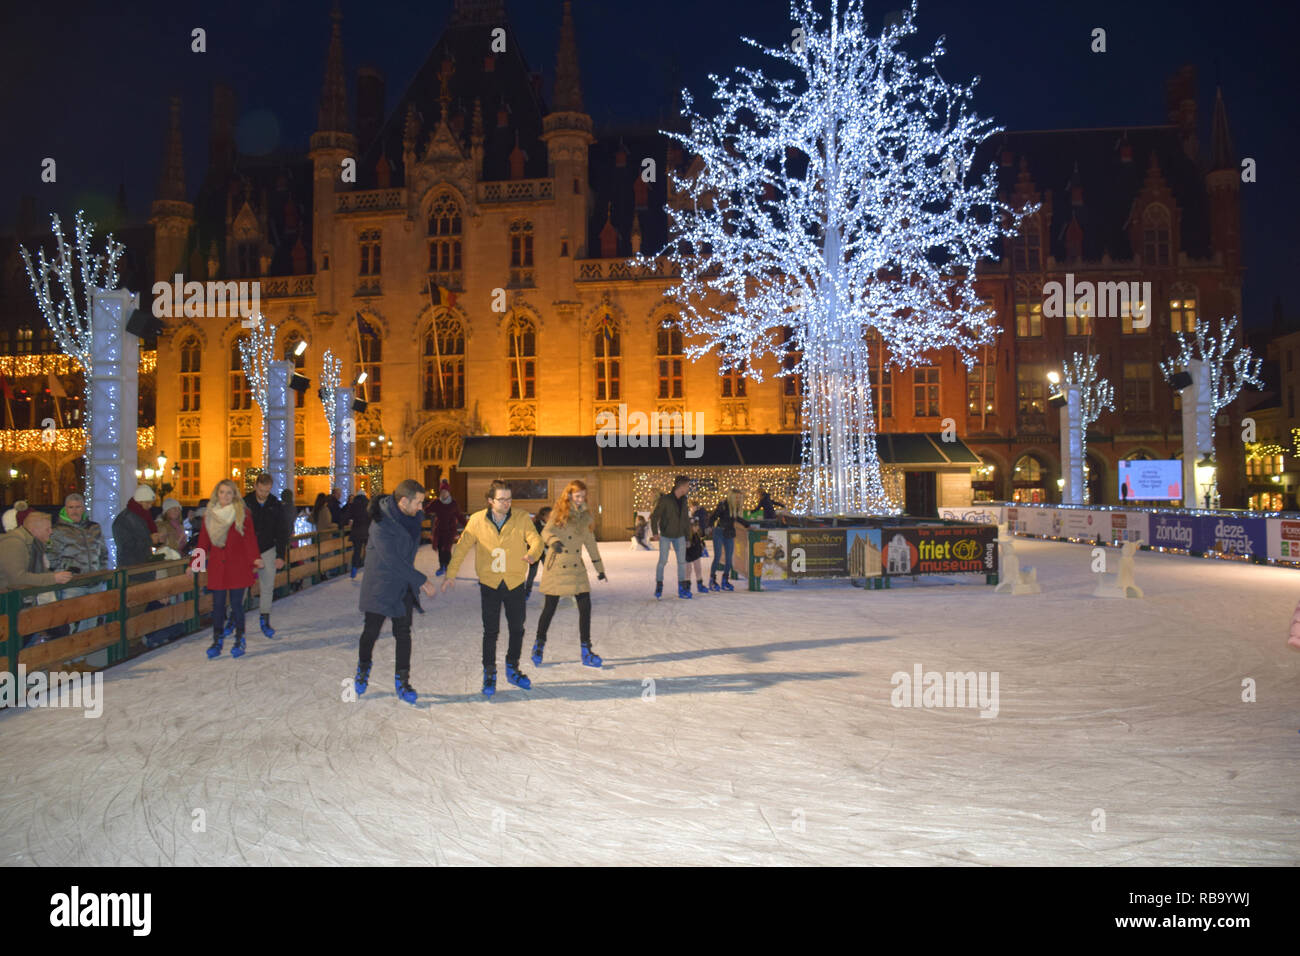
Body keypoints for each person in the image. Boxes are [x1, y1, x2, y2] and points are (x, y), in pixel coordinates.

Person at [442, 479, 542, 697]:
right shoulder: (477, 520)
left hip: (514, 582)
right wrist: (451, 573)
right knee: (491, 631)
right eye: (501, 499)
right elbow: (462, 547)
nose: (507, 503)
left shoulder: (521, 517)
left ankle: (512, 667)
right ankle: (490, 672)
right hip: (490, 584)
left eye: (509, 499)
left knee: (517, 628)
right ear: (490, 500)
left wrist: (533, 553)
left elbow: (536, 540)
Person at [354, 479, 437, 705]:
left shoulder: (412, 518)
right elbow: (392, 560)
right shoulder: (380, 524)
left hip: (402, 586)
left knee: (403, 633)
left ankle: (403, 680)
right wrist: (421, 580)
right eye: (418, 503)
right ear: (403, 501)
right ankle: (363, 668)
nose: (422, 508)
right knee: (370, 632)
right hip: (380, 586)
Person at [531, 481, 607, 668]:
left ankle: (585, 650)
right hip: (557, 564)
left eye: (583, 496)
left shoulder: (586, 518)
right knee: (550, 607)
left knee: (585, 606)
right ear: (569, 496)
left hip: (576, 566)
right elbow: (546, 532)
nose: (580, 500)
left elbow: (590, 543)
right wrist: (554, 541)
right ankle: (538, 645)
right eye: (577, 496)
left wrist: (599, 568)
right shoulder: (559, 513)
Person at [192, 479, 264, 659]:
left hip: (237, 566)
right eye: (222, 492)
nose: (225, 496)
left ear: (234, 495)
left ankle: (240, 638)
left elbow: (249, 540)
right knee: (217, 605)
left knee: (237, 605)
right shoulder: (209, 515)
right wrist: (195, 564)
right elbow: (203, 542)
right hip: (218, 567)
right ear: (217, 493)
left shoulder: (242, 514)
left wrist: (255, 558)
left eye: (229, 493)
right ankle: (217, 639)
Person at [0, 509, 74, 645]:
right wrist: (53, 578)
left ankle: (27, 665)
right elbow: (17, 579)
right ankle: (18, 667)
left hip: (21, 604)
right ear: (34, 529)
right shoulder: (14, 543)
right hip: (7, 606)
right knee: (14, 647)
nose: (51, 532)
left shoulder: (33, 544)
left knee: (57, 628)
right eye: (48, 529)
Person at [48, 492, 110, 633]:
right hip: (72, 584)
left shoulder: (94, 527)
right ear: (65, 508)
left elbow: (103, 551)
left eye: (78, 507)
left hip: (94, 581)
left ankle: (83, 652)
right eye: (71, 507)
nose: (74, 511)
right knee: (69, 620)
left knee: (90, 620)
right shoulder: (58, 530)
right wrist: (63, 572)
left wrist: (101, 571)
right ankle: (70, 651)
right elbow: (52, 556)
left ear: (83, 508)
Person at [244, 473, 289, 638]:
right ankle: (235, 618)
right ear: (255, 486)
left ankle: (265, 618)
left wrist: (280, 555)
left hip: (268, 550)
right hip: (247, 551)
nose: (264, 493)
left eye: (267, 490)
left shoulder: (275, 505)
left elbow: (282, 531)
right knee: (241, 586)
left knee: (267, 586)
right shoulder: (244, 503)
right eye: (261, 490)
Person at [650, 474, 693, 599]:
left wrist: (687, 537)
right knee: (663, 561)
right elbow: (654, 516)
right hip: (666, 535)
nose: (689, 488)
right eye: (688, 486)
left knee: (682, 562)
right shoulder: (666, 500)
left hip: (680, 536)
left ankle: (682, 588)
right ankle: (659, 585)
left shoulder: (684, 500)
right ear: (682, 486)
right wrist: (655, 533)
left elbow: (685, 519)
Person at [708, 488, 751, 591]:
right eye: (736, 497)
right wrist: (709, 527)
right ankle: (712, 580)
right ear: (731, 497)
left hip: (729, 533)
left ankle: (725, 580)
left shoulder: (735, 507)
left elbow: (736, 518)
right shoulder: (722, 505)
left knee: (729, 558)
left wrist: (748, 525)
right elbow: (713, 517)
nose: (738, 500)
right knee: (717, 557)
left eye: (739, 498)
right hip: (719, 532)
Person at [113, 484, 164, 569]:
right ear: (139, 501)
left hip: (144, 565)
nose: (150, 506)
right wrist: (150, 540)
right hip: (131, 568)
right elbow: (125, 546)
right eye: (147, 502)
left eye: (151, 503)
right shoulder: (124, 520)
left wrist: (158, 540)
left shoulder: (144, 516)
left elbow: (145, 542)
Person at [427, 480, 463, 576]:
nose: (443, 493)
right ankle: (442, 566)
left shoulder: (453, 503)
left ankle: (448, 567)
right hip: (439, 530)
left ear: (448, 492)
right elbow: (427, 509)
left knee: (446, 549)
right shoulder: (437, 502)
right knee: (440, 548)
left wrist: (467, 524)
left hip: (449, 531)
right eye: (442, 492)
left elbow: (459, 516)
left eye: (445, 491)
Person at [524, 506, 551, 598]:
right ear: (543, 516)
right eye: (549, 516)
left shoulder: (549, 525)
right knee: (532, 572)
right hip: (535, 553)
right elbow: (535, 539)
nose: (551, 518)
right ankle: (527, 591)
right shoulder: (536, 525)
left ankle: (550, 589)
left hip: (544, 553)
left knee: (548, 570)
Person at [346, 490, 371, 579]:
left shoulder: (353, 505)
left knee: (357, 551)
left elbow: (348, 516)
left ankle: (354, 569)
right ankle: (369, 570)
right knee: (368, 550)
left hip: (356, 531)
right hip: (367, 531)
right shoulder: (369, 504)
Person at [685, 518, 710, 594]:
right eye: (695, 526)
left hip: (696, 555)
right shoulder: (687, 536)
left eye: (697, 526)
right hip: (688, 555)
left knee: (698, 569)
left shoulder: (697, 535)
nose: (697, 528)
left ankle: (700, 585)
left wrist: (702, 546)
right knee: (688, 571)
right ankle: (687, 586)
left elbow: (699, 544)